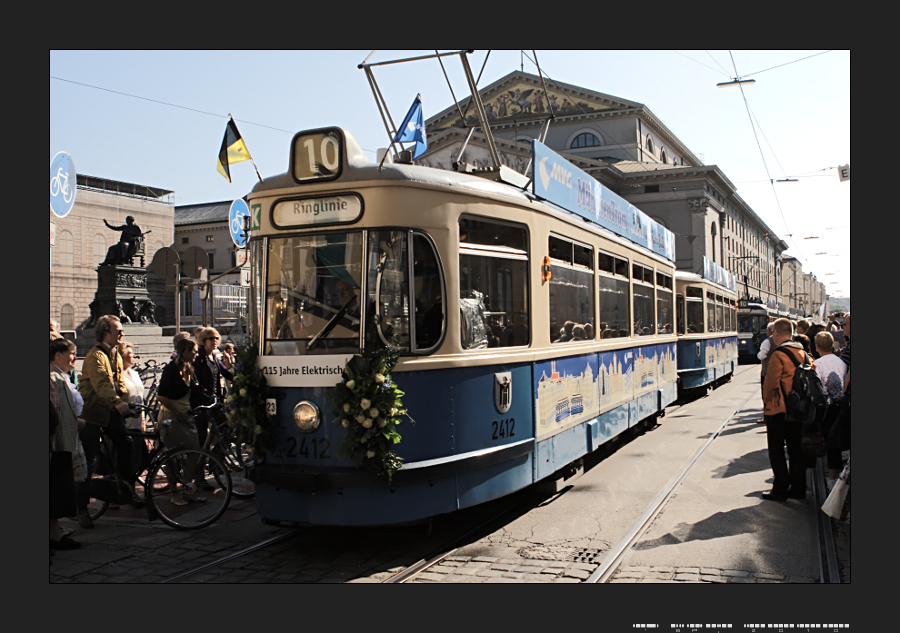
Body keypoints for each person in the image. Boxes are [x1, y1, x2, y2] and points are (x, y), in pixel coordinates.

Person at [77, 315, 135, 527]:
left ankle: (122, 487)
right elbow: (101, 384)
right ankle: (82, 508)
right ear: (104, 333)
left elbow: (120, 385)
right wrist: (116, 402)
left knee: (127, 443)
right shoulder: (95, 356)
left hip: (109, 411)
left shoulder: (116, 355)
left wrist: (126, 405)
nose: (122, 334)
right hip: (92, 413)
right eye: (117, 330)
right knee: (89, 461)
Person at [761, 318, 816, 501]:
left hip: (779, 409)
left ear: (776, 333)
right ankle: (798, 488)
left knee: (776, 450)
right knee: (795, 449)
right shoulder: (804, 353)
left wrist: (766, 402)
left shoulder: (779, 354)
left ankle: (780, 488)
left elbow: (771, 383)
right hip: (799, 410)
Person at [156, 338, 206, 506]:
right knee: (172, 457)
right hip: (172, 417)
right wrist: (178, 412)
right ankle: (174, 493)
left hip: (186, 415)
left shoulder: (189, 368)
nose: (196, 354)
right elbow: (161, 396)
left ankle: (186, 487)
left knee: (195, 451)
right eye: (194, 351)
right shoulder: (170, 370)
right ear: (184, 351)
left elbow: (196, 390)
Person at [50, 338, 87, 549]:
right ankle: (53, 536)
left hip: (65, 440)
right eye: (71, 353)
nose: (74, 358)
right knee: (56, 489)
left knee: (60, 490)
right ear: (58, 355)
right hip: (58, 443)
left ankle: (55, 533)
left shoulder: (61, 376)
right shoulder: (53, 377)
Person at [192, 327, 233, 457]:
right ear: (203, 341)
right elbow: (195, 380)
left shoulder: (214, 356)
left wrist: (240, 378)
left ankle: (215, 460)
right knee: (202, 437)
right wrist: (205, 393)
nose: (214, 341)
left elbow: (225, 372)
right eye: (211, 338)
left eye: (216, 338)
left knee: (227, 428)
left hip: (216, 401)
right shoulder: (199, 357)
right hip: (202, 402)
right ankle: (200, 471)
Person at [813, 331, 847, 489]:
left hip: (827, 408)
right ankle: (837, 476)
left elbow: (817, 387)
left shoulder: (818, 364)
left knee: (830, 443)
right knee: (839, 441)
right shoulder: (841, 362)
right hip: (842, 405)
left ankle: (832, 480)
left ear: (817, 346)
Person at [119, 341, 148, 487]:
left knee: (136, 458)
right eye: (129, 354)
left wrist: (142, 419)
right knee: (123, 458)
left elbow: (140, 396)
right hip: (125, 421)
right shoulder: (117, 376)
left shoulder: (135, 373)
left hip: (137, 420)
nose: (133, 356)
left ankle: (131, 489)